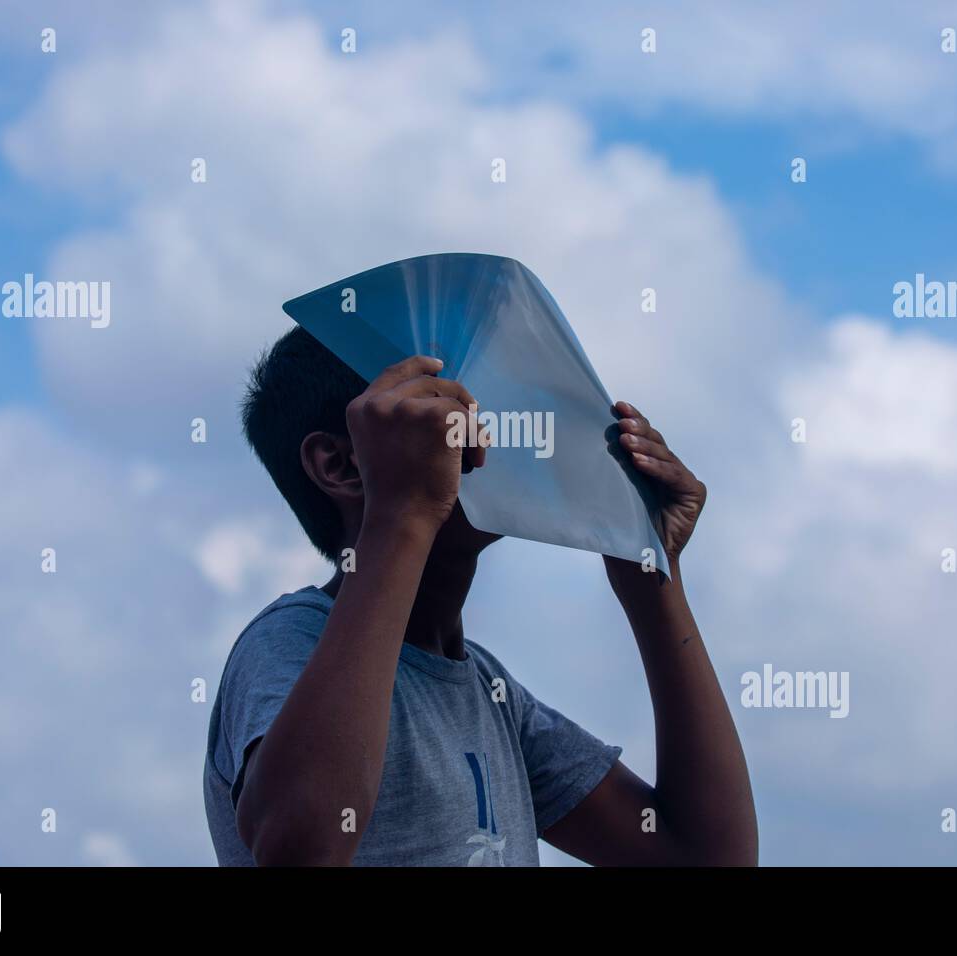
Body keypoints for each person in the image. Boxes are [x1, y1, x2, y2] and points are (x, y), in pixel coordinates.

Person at [203, 326, 757, 866]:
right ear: (343, 464)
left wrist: (653, 574)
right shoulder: (288, 641)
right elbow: (302, 846)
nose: (494, 433)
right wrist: (403, 514)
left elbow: (708, 856)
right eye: (449, 406)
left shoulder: (490, 696)